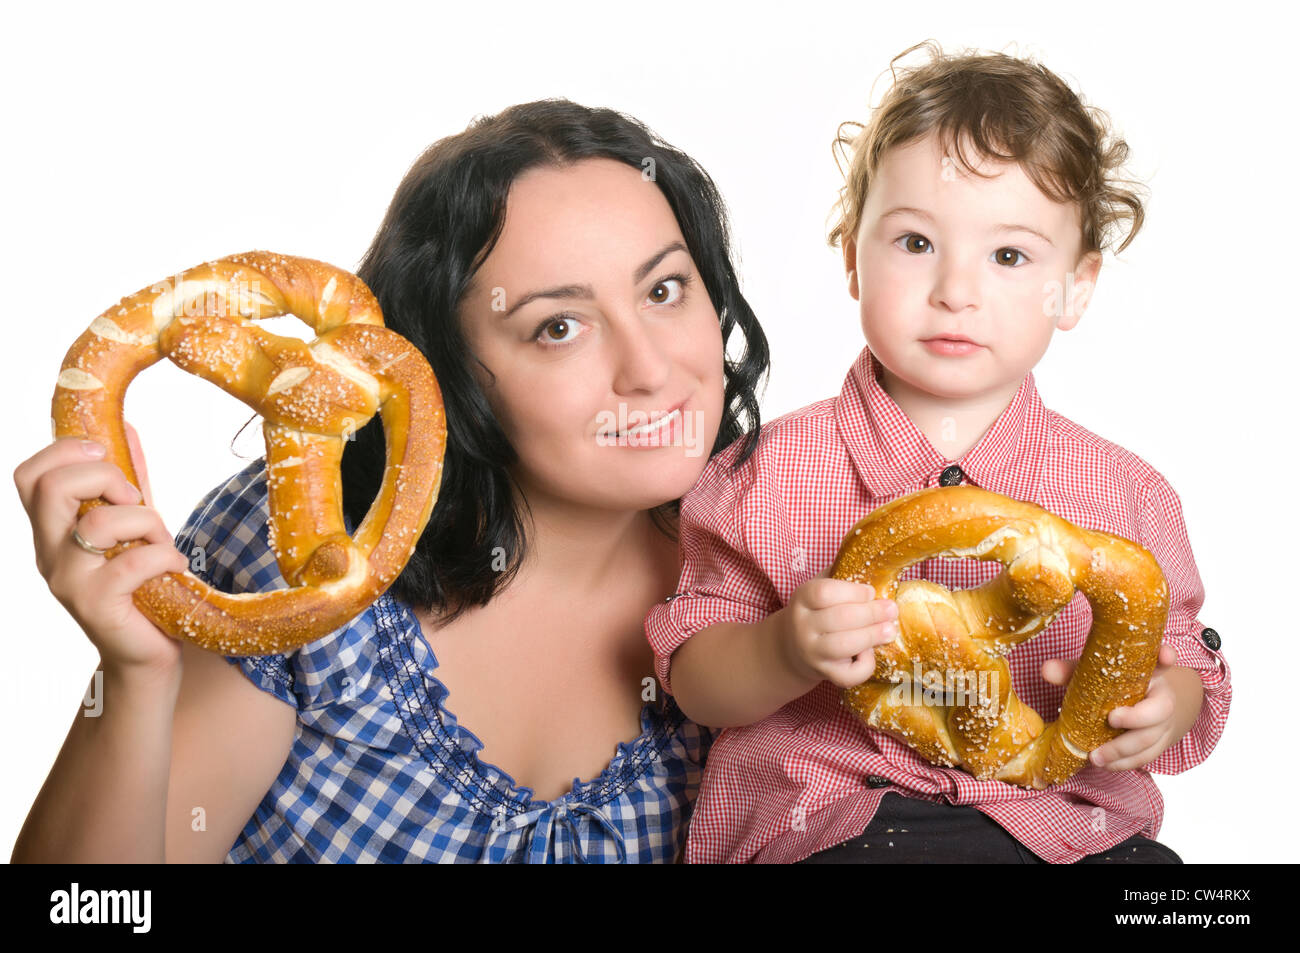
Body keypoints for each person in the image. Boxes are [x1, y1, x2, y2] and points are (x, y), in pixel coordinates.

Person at [11, 98, 770, 863]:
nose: (649, 370)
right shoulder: (303, 556)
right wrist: (136, 675)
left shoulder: (777, 582)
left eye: (664, 290)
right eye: (558, 326)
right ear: (442, 370)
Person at [645, 41, 1231, 864]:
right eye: (916, 243)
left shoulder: (1128, 494)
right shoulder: (761, 476)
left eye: (1009, 256)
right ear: (851, 254)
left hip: (1064, 827)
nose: (957, 288)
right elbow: (695, 681)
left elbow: (1186, 664)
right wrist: (782, 648)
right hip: (835, 822)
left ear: (1076, 287)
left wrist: (1166, 705)